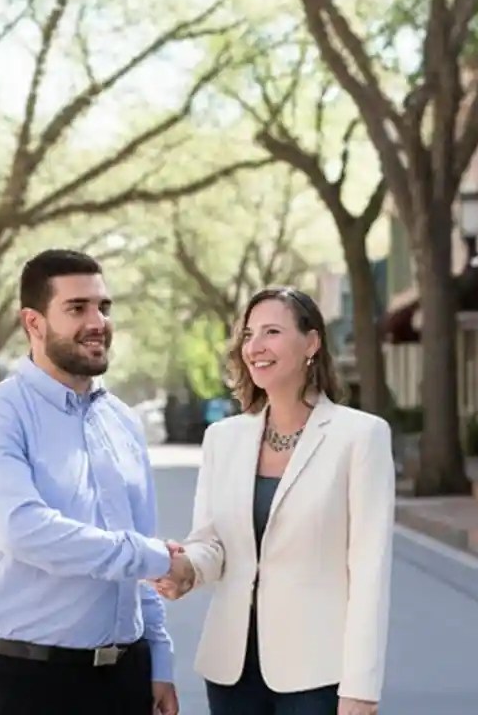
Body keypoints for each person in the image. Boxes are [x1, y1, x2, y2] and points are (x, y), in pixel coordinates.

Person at [0, 248, 186, 715]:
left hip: (125, 680)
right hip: (29, 686)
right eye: (77, 308)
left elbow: (138, 551)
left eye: (103, 307)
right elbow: (23, 529)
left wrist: (159, 657)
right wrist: (155, 557)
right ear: (34, 323)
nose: (97, 321)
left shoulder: (123, 422)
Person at [153, 286, 395, 715]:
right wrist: (185, 566)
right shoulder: (223, 439)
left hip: (318, 674)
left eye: (271, 332)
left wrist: (361, 686)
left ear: (312, 343)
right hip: (231, 671)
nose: (255, 347)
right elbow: (211, 542)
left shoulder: (360, 437)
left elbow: (370, 572)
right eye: (248, 335)